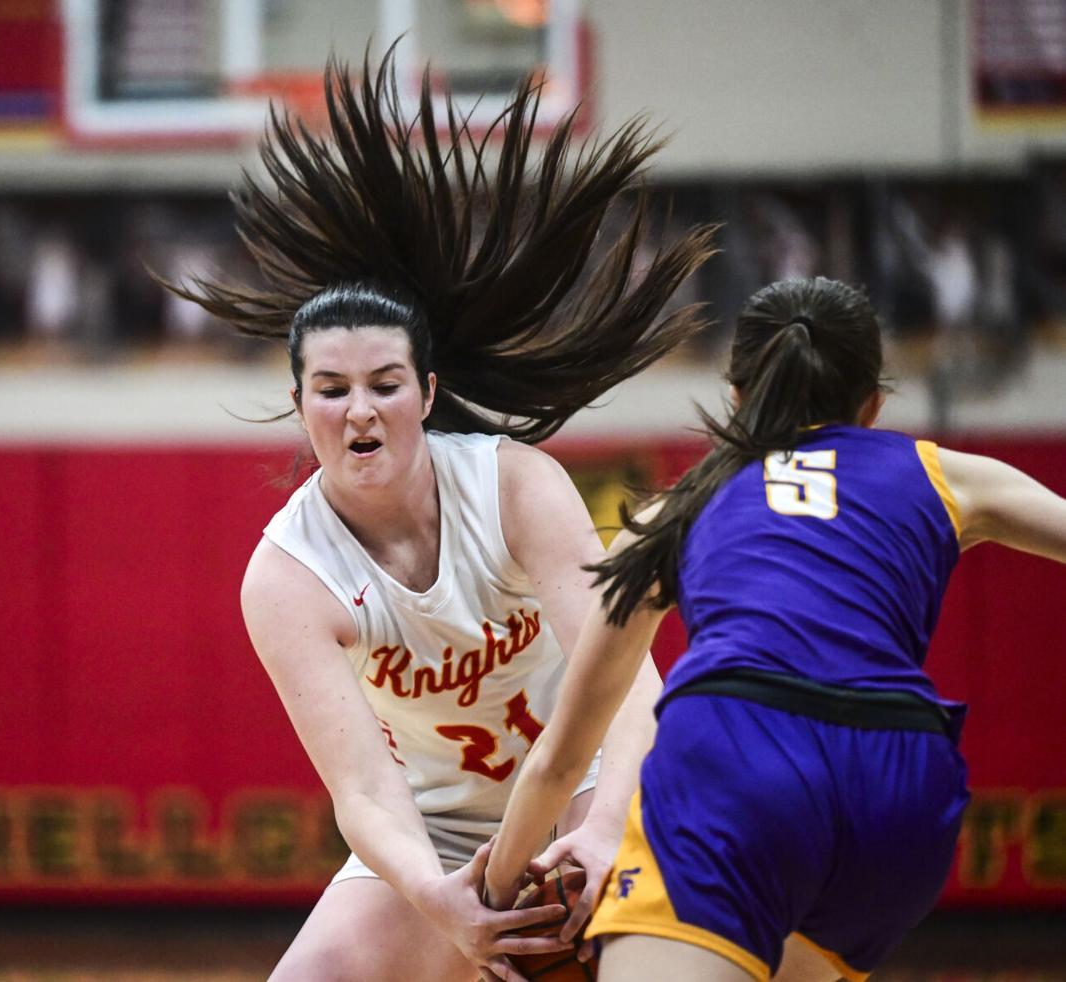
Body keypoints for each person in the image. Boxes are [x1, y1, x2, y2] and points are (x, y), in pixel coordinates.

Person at [170, 50, 714, 982]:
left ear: (425, 392)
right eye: (332, 389)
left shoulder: (515, 487)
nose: (360, 410)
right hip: (442, 832)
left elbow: (629, 685)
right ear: (301, 404)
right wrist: (440, 900)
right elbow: (366, 792)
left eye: (384, 384)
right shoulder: (287, 574)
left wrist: (601, 831)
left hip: (596, 787)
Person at [481, 276, 1066, 982]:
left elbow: (562, 760)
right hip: (903, 773)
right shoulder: (946, 475)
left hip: (742, 753)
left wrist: (495, 900)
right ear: (873, 405)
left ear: (734, 397)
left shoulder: (674, 511)